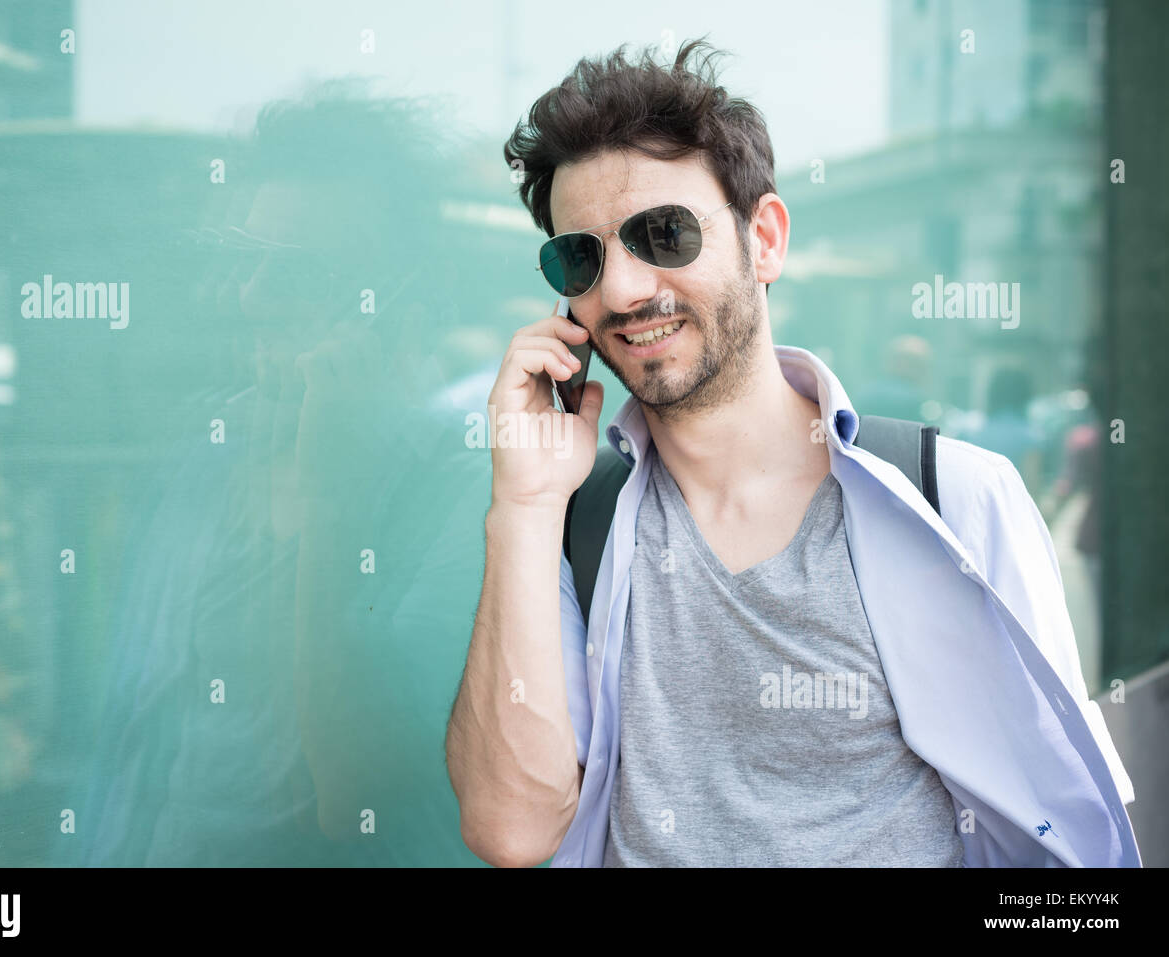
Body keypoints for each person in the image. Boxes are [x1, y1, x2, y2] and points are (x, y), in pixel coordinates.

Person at [445, 38, 1138, 868]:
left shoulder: (954, 498)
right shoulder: (574, 524)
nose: (623, 290)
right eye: (581, 256)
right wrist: (520, 506)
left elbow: (1069, 853)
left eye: (663, 233)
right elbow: (510, 831)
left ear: (764, 238)